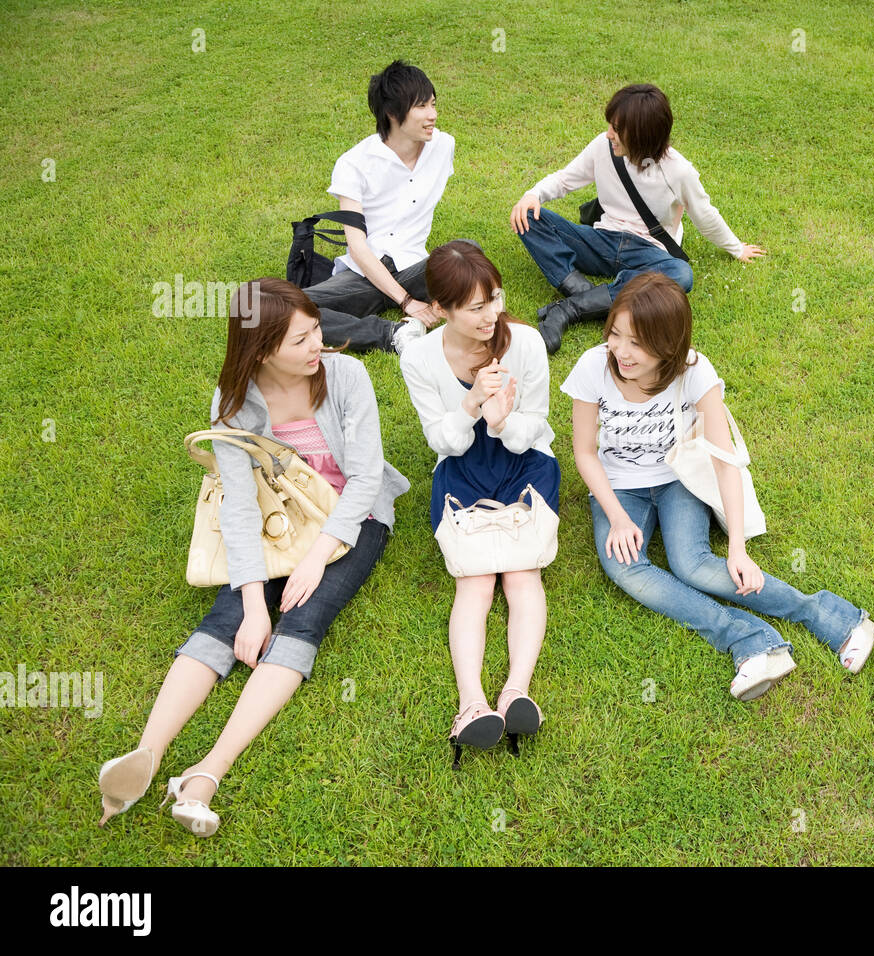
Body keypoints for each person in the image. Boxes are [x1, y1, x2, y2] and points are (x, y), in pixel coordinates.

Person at [96, 279, 409, 836]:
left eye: (317, 329)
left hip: (352, 518)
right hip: (277, 517)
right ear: (262, 350)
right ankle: (145, 754)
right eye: (302, 339)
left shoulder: (345, 376)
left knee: (305, 616)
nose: (319, 344)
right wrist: (252, 598)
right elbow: (238, 507)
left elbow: (364, 478)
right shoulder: (233, 402)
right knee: (228, 617)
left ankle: (206, 775)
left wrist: (315, 559)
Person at [561, 273, 874, 701]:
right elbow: (584, 452)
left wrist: (738, 548)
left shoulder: (693, 370)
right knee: (624, 566)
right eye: (615, 334)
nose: (621, 351)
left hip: (678, 479)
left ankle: (835, 619)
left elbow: (725, 461)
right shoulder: (593, 367)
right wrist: (616, 517)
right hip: (619, 488)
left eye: (637, 342)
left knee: (691, 564)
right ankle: (750, 642)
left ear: (668, 344)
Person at [399, 242, 560, 765]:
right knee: (473, 579)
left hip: (524, 461)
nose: (492, 315)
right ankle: (471, 705)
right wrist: (470, 406)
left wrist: (502, 420)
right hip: (462, 467)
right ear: (441, 309)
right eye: (475, 307)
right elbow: (441, 441)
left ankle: (516, 691)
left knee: (521, 572)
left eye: (494, 298)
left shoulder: (527, 344)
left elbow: (535, 426)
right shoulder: (421, 357)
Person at [510, 83, 766, 354]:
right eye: (610, 125)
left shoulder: (679, 172)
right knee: (527, 215)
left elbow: (705, 215)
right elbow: (565, 179)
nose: (609, 134)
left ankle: (569, 309)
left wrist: (736, 248)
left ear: (643, 134)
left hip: (648, 252)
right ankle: (587, 294)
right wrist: (533, 193)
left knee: (680, 274)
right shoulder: (603, 147)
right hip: (603, 239)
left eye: (617, 129)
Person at [303, 60, 454, 355]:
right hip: (363, 272)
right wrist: (407, 301)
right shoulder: (354, 164)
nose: (432, 115)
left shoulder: (443, 146)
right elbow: (358, 247)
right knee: (274, 306)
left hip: (413, 267)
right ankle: (392, 333)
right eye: (421, 107)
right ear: (392, 112)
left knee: (466, 253)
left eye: (433, 104)